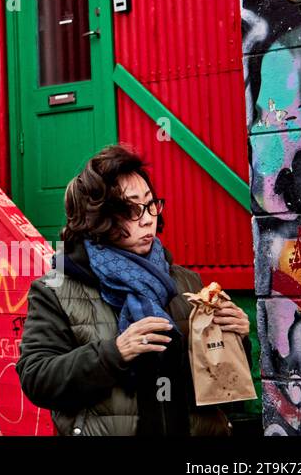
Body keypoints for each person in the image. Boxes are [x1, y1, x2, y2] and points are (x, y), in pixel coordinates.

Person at [17, 144, 251, 435]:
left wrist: (234, 338)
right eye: (131, 209)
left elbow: (221, 380)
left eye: (151, 204)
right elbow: (36, 378)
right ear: (97, 216)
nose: (148, 218)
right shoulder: (56, 291)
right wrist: (114, 353)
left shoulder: (188, 284)